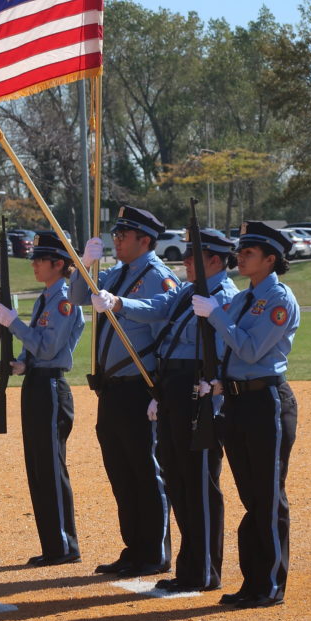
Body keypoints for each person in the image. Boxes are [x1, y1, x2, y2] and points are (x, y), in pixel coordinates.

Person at [93, 228, 238, 593]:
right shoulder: (189, 291)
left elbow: (223, 352)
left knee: (199, 483)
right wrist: (120, 303)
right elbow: (158, 309)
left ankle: (204, 569)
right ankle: (190, 567)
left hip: (198, 390)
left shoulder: (225, 297)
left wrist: (213, 395)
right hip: (172, 386)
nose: (186, 261)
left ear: (216, 261)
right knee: (178, 480)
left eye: (194, 257)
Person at [193, 221, 300, 609]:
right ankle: (253, 580)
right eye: (241, 251)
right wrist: (216, 383)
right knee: (252, 496)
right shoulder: (243, 299)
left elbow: (251, 350)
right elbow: (227, 352)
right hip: (238, 402)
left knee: (268, 496)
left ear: (270, 259)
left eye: (249, 253)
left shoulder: (278, 299)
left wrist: (216, 315)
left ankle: (270, 584)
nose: (241, 257)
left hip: (267, 401)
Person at [69, 205, 179, 578]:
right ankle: (134, 547)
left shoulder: (157, 275)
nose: (116, 240)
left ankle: (155, 551)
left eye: (122, 235)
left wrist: (121, 303)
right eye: (115, 235)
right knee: (120, 471)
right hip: (112, 389)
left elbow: (166, 309)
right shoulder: (117, 273)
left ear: (144, 240)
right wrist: (84, 263)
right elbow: (79, 295)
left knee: (146, 471)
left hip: (140, 386)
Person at [0, 231, 84, 567]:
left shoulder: (63, 300)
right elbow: (39, 349)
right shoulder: (45, 298)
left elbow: (48, 347)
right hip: (36, 383)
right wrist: (22, 363)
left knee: (49, 468)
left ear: (58, 264)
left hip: (51, 390)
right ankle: (53, 545)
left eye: (40, 259)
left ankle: (64, 545)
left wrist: (14, 323)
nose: (33, 264)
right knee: (37, 468)